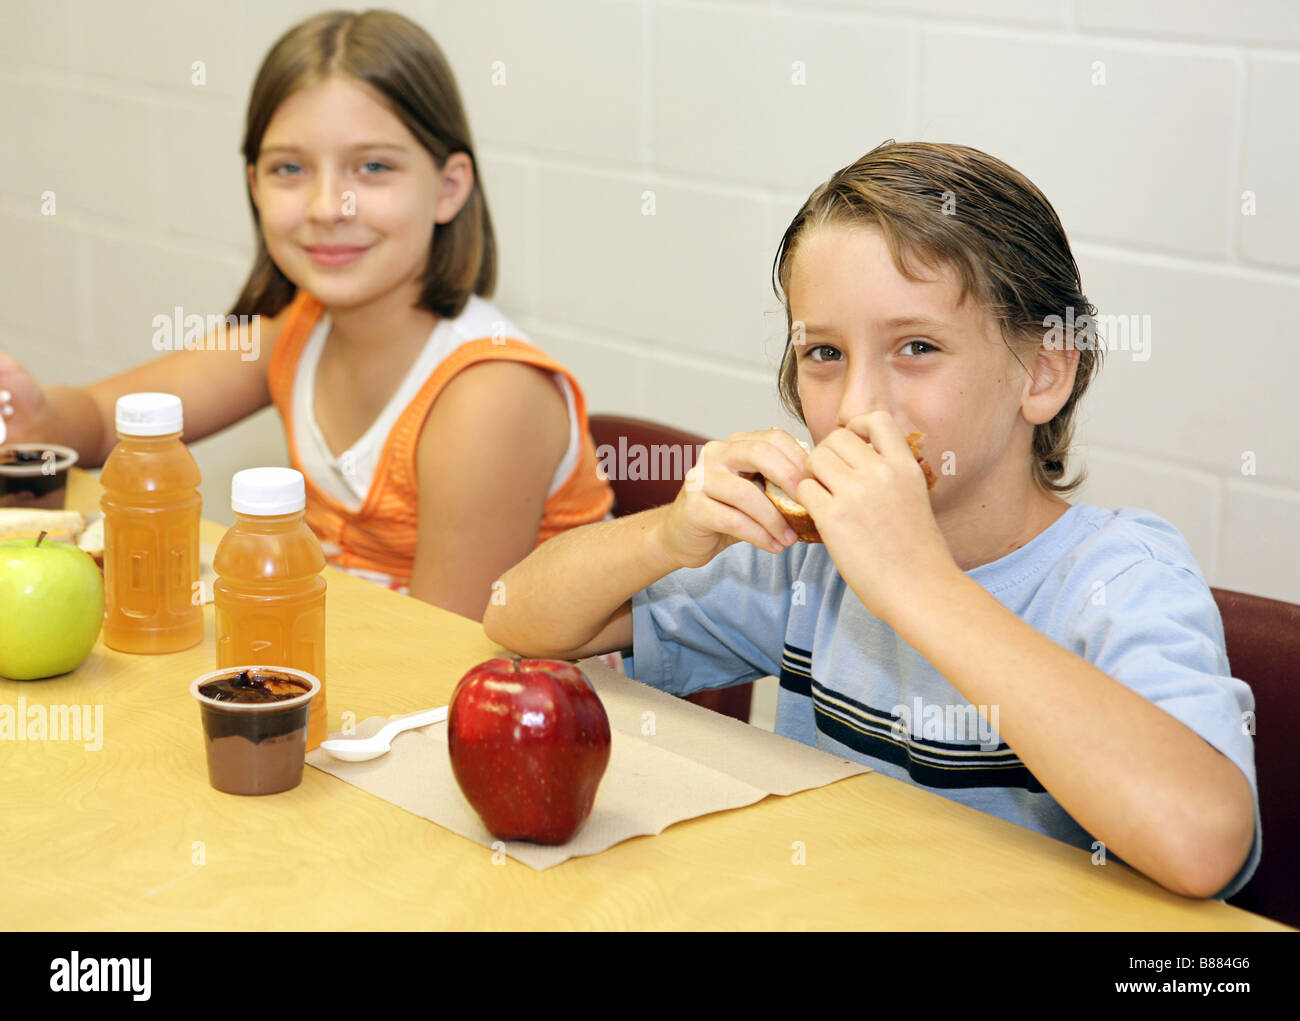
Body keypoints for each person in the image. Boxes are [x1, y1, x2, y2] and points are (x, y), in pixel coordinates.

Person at [483, 140, 1261, 901]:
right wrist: (662, 537)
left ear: (1044, 372)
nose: (855, 406)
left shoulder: (1121, 577)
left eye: (917, 346)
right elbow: (515, 617)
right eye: (824, 353)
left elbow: (1205, 843)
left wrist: (917, 584)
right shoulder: (808, 560)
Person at [0, 9, 612, 620]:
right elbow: (110, 422)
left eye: (373, 167)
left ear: (449, 188)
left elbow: (447, 651)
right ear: (254, 186)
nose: (327, 205)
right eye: (290, 169)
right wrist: (36, 419)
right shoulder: (292, 331)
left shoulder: (488, 395)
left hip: (503, 698)